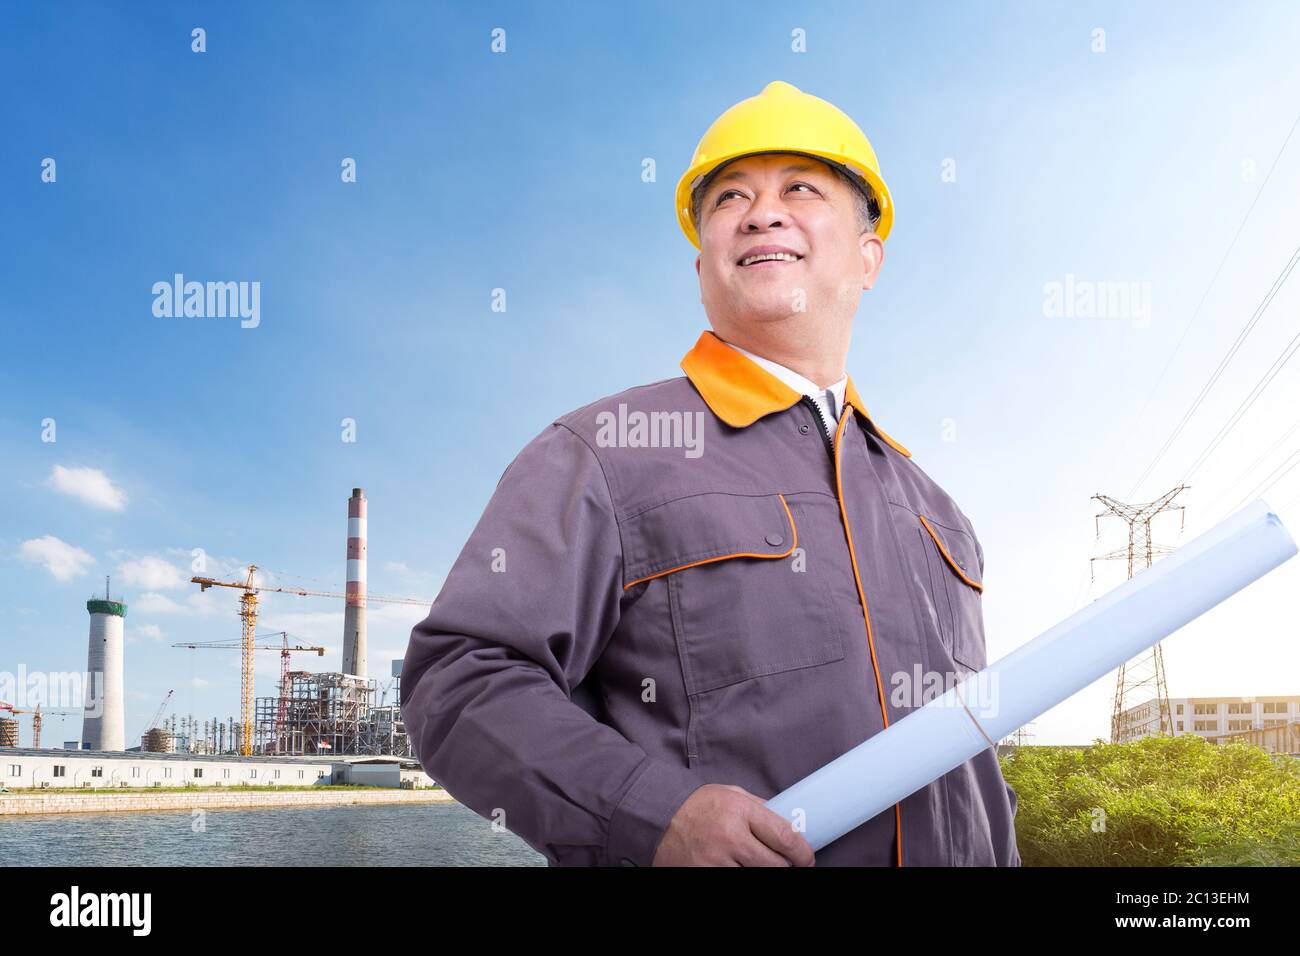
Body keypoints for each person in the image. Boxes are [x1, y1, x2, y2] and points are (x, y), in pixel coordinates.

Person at [401, 80, 1020, 867]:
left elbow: (975, 770)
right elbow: (458, 680)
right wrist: (650, 814)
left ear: (870, 258)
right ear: (704, 267)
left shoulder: (936, 512)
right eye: (730, 197)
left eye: (800, 187)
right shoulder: (605, 452)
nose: (762, 212)